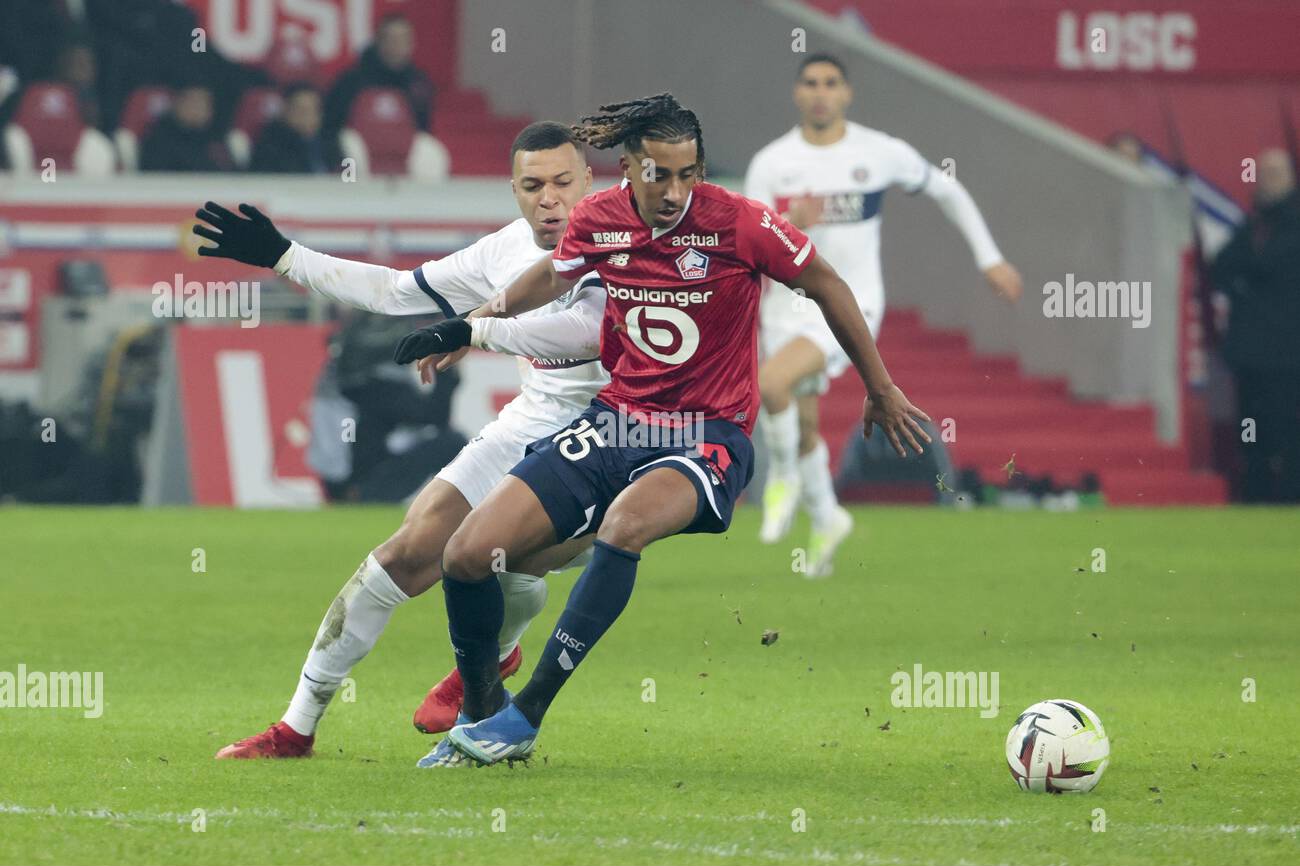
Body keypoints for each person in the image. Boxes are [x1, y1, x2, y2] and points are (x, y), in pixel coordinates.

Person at [397, 93, 931, 768]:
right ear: (628, 168)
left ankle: (525, 714)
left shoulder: (740, 224)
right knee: (467, 555)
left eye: (688, 173)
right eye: (659, 175)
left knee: (625, 525)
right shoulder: (599, 218)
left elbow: (826, 282)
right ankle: (481, 714)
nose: (675, 191)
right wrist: (472, 321)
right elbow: (551, 271)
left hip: (708, 434)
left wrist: (880, 388)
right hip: (618, 422)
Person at [189, 122, 609, 762]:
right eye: (532, 186)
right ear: (514, 191)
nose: (549, 199)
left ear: (589, 180)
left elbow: (589, 331)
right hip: (530, 423)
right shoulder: (502, 251)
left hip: (617, 439)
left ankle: (491, 664)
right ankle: (295, 729)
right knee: (405, 550)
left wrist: (478, 331)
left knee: (505, 555)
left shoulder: (631, 246)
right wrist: (285, 256)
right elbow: (393, 291)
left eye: (561, 182)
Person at [744, 54, 1021, 575]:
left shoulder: (878, 152)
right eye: (810, 83)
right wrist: (788, 221)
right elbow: (755, 240)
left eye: (831, 83)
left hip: (851, 304)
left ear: (847, 93)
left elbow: (946, 188)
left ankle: (780, 479)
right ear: (797, 94)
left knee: (773, 386)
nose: (821, 92)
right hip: (785, 307)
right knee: (803, 425)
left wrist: (990, 258)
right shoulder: (771, 162)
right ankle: (828, 521)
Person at [1211, 147, 1300, 502]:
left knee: (1285, 425)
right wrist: (1244, 286)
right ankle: (1256, 490)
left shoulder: (1288, 226)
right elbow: (1222, 268)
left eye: (1276, 174)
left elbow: (1267, 267)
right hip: (1250, 353)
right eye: (1263, 173)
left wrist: (1249, 281)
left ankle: (1290, 493)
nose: (1268, 182)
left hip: (1287, 352)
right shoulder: (1253, 225)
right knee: (1250, 427)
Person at [323, 14, 433, 135]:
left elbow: (423, 129)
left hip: (403, 147)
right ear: (379, 42)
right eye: (392, 39)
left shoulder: (419, 84)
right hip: (358, 147)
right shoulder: (351, 81)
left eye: (403, 38)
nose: (398, 45)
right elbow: (332, 126)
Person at [249, 84, 342, 174]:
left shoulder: (329, 141)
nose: (307, 117)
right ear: (286, 111)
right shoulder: (271, 146)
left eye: (313, 110)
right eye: (301, 110)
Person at [139, 85, 234, 173]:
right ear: (178, 104)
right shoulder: (159, 139)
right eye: (193, 102)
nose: (198, 109)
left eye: (204, 103)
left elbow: (234, 174)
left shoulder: (215, 139)